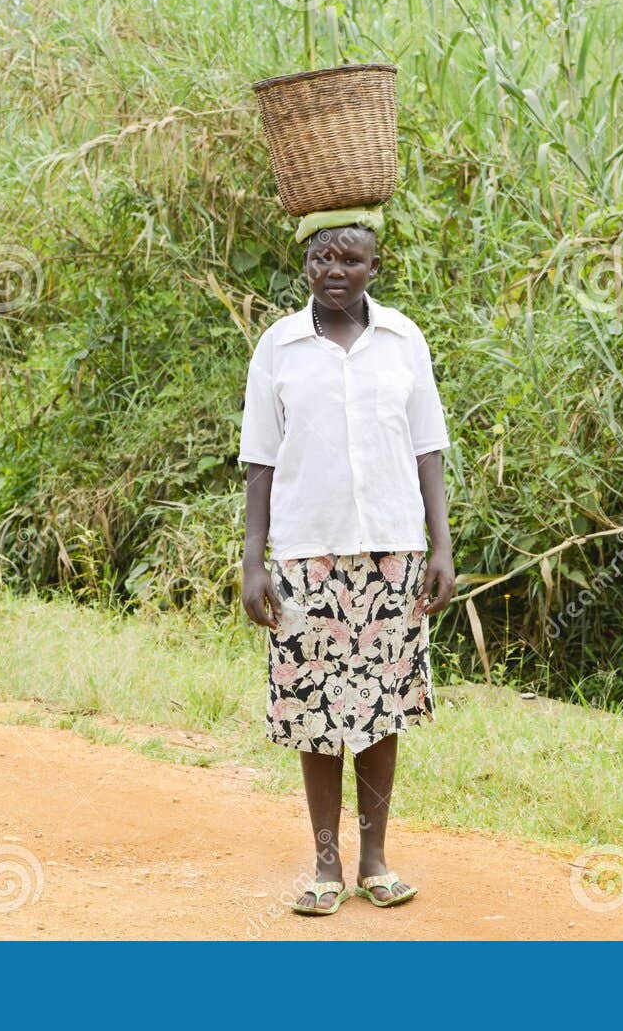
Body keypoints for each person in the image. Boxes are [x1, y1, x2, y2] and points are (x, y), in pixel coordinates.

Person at [237, 213, 456, 916]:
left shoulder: (402, 340)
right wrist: (252, 562)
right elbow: (260, 462)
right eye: (321, 258)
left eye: (350, 259)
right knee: (314, 712)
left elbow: (428, 448)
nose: (334, 270)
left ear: (374, 266)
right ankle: (326, 866)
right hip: (307, 552)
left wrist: (442, 546)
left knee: (383, 708)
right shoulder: (279, 346)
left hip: (393, 549)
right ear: (305, 265)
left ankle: (377, 860)